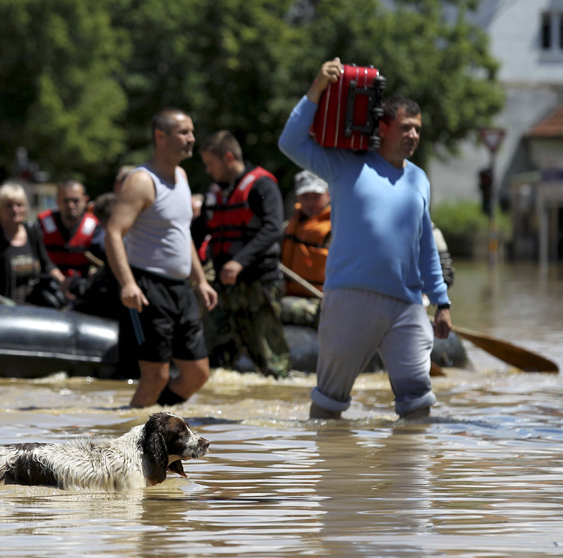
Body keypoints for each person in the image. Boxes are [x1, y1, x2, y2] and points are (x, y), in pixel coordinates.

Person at [278, 58, 453, 420]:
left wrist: (441, 301)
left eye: (417, 129)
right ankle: (331, 459)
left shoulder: (419, 179)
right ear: (383, 127)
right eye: (405, 128)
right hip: (349, 298)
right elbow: (290, 142)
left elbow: (425, 245)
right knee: (329, 401)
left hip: (406, 304)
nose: (413, 135)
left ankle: (411, 459)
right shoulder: (345, 164)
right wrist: (316, 89)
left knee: (418, 401)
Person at [104, 108, 218, 407]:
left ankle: (154, 422)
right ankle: (132, 432)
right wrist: (128, 284)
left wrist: (201, 281)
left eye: (192, 132)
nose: (191, 139)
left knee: (197, 374)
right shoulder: (141, 181)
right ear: (160, 136)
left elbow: (181, 234)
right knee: (156, 376)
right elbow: (113, 233)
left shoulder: (181, 176)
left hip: (181, 289)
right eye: (184, 132)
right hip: (148, 288)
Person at [194, 130, 290, 377]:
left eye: (211, 163)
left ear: (228, 158)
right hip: (224, 288)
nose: (208, 170)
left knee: (270, 360)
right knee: (217, 357)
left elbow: (272, 228)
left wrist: (239, 262)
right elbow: (196, 233)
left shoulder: (261, 186)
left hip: (259, 282)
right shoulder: (214, 194)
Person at [0, 182, 66, 304]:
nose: (15, 210)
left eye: (19, 205)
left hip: (34, 307)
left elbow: (46, 264)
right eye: (9, 205)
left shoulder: (32, 231)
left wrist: (64, 283)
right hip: (4, 307)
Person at [280, 170, 332, 328]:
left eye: (316, 196)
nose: (310, 202)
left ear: (328, 195)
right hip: (291, 293)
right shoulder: (289, 225)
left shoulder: (337, 227)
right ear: (298, 197)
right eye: (305, 197)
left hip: (321, 299)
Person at [37, 179, 101, 280]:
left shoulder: (95, 227)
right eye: (66, 201)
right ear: (57, 201)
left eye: (75, 201)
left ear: (85, 200)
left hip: (83, 283)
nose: (70, 205)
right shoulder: (42, 224)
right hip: (49, 282)